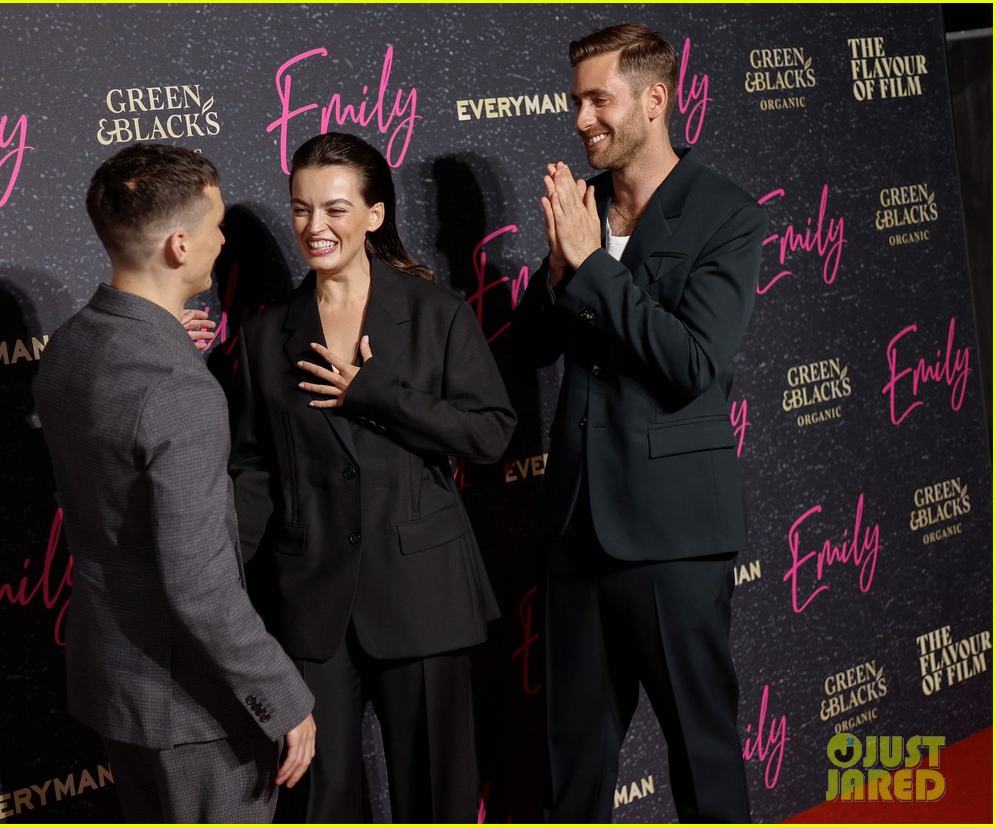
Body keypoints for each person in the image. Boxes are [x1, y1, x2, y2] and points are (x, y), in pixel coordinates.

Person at [511, 23, 768, 823]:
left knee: (702, 754)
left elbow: (693, 362)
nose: (582, 118)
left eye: (599, 100)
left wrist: (591, 266)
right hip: (577, 528)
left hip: (673, 533)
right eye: (576, 101)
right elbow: (533, 346)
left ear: (655, 100)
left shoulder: (726, 214)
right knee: (572, 770)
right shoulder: (583, 206)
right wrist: (557, 276)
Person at [229, 131, 516, 823]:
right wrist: (216, 588)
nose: (314, 227)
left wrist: (376, 391)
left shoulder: (434, 313)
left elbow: (490, 433)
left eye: (334, 209)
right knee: (316, 800)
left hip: (422, 595)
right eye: (300, 209)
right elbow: (252, 468)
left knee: (434, 796)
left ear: (375, 215)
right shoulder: (264, 339)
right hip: (310, 605)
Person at [33, 142, 316, 823]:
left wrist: (162, 344)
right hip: (194, 708)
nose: (225, 240)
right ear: (180, 245)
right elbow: (199, 585)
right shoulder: (176, 392)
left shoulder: (72, 345)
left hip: (116, 690)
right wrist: (284, 699)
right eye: (217, 226)